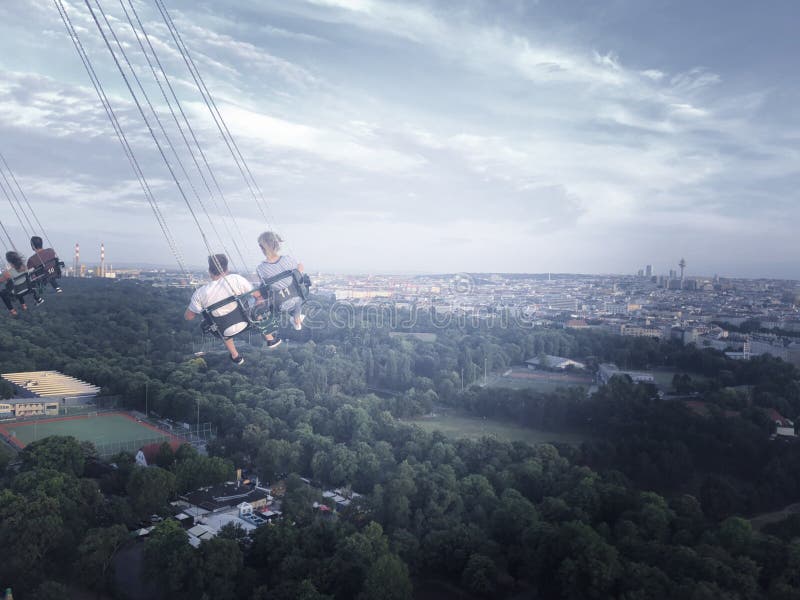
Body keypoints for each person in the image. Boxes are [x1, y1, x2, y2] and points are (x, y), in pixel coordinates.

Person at [184, 254, 281, 365]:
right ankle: (269, 338)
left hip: (224, 331)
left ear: (209, 271)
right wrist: (259, 305)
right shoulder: (235, 279)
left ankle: (235, 355)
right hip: (246, 321)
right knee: (253, 304)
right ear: (226, 270)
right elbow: (257, 295)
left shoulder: (200, 293)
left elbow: (189, 317)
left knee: (216, 322)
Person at [256, 231, 306, 331]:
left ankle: (296, 318)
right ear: (277, 244)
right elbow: (299, 272)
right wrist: (299, 269)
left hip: (280, 304)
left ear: (262, 248)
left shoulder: (260, 269)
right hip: (298, 297)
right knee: (297, 299)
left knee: (287, 298)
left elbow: (265, 287)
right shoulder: (288, 259)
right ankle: (297, 317)